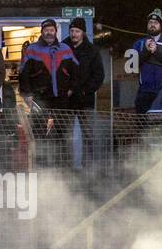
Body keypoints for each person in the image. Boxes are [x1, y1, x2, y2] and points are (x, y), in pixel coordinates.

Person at [18, 18, 78, 164]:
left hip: (61, 98)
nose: (49, 33)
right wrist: (27, 94)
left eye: (51, 30)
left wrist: (71, 89)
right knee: (39, 130)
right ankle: (40, 163)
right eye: (46, 30)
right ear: (42, 31)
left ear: (55, 32)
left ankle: (64, 164)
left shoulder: (65, 49)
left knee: (63, 130)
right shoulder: (32, 49)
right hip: (40, 98)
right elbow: (23, 73)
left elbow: (76, 71)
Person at [64, 17, 104, 167]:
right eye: (72, 31)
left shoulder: (92, 50)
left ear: (83, 33)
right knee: (66, 135)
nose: (74, 34)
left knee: (88, 135)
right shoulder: (63, 47)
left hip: (85, 100)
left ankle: (89, 168)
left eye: (77, 31)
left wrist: (86, 91)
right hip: (67, 100)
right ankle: (67, 169)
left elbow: (99, 75)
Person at [130, 9, 162, 113]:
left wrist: (156, 51)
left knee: (160, 125)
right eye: (150, 22)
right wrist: (146, 51)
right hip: (144, 90)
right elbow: (132, 65)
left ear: (161, 25)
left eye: (156, 23)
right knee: (142, 124)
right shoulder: (139, 43)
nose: (152, 25)